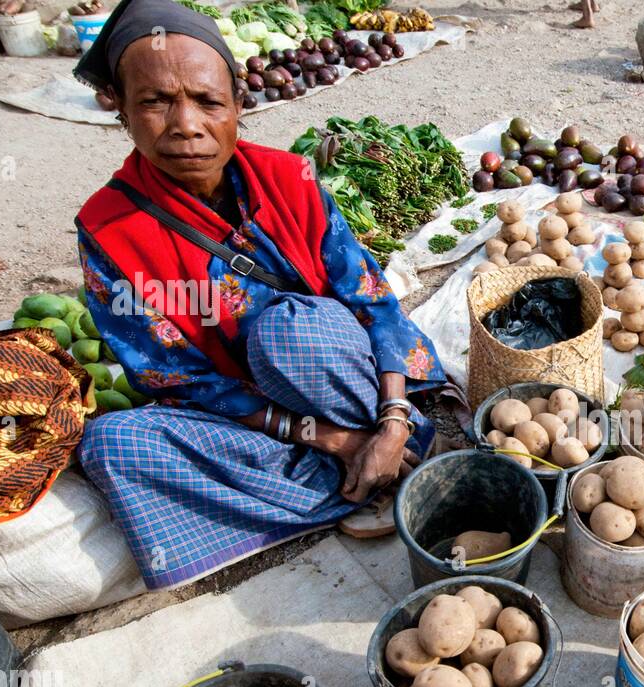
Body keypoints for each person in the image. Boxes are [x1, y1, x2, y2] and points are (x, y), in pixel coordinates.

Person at [72, 0, 457, 589]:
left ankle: (393, 449)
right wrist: (330, 437)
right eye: (154, 101)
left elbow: (372, 301)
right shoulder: (109, 228)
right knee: (111, 443)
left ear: (237, 107)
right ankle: (357, 472)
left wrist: (395, 417)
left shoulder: (288, 178)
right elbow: (171, 377)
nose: (185, 124)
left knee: (291, 331)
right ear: (120, 109)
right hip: (249, 417)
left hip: (332, 373)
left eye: (207, 101)